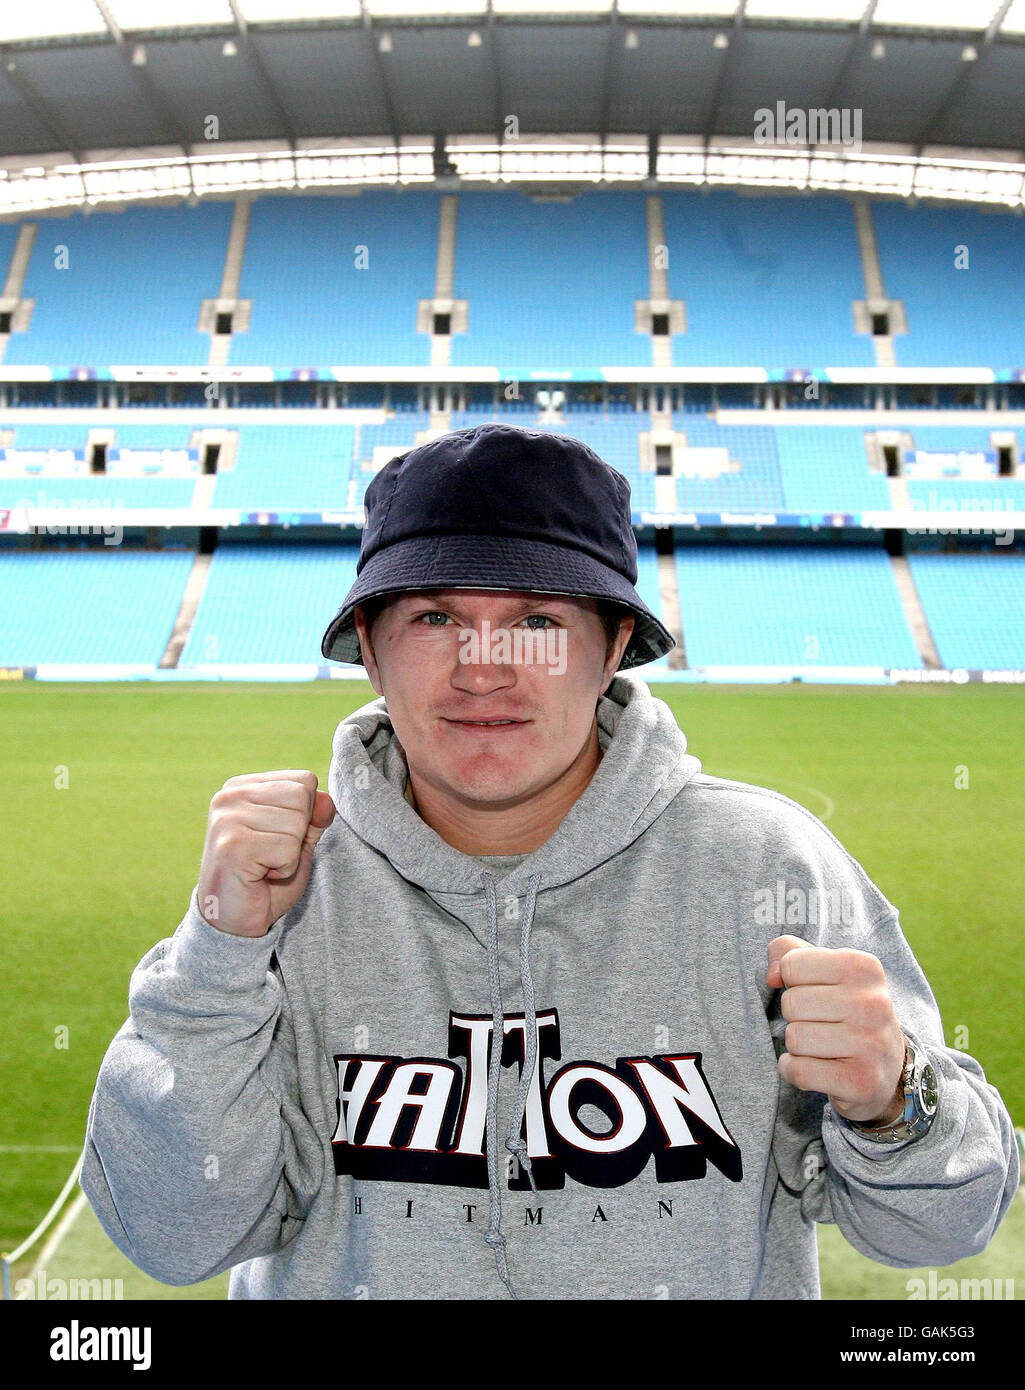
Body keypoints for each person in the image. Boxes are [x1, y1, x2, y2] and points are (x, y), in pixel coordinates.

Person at [81, 423, 1019, 1300]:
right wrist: (212, 960)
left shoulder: (767, 869)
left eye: (535, 618)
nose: (482, 669)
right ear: (368, 648)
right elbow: (176, 1238)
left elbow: (945, 1224)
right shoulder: (282, 893)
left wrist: (895, 1097)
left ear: (613, 646)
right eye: (435, 617)